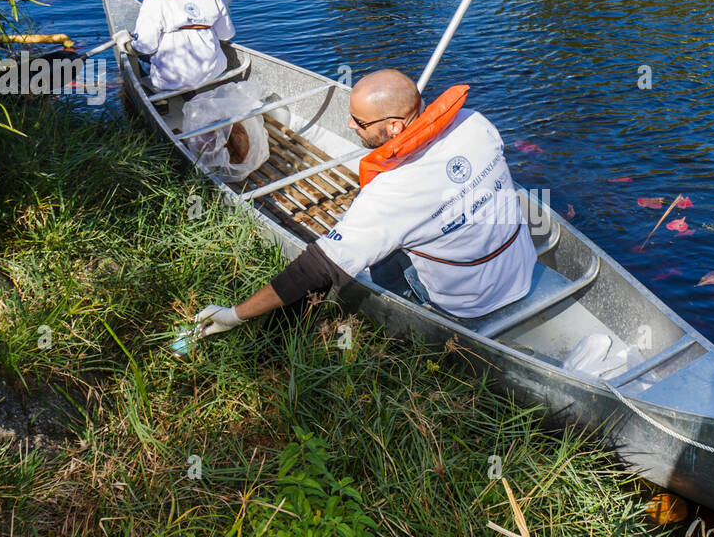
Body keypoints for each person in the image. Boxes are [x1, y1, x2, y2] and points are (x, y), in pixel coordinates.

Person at [192, 69, 536, 337]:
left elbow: (314, 269)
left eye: (359, 122)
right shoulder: (473, 122)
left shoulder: (392, 191)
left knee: (360, 267)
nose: (348, 125)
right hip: (522, 268)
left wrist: (234, 315)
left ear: (394, 127)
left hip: (468, 303)